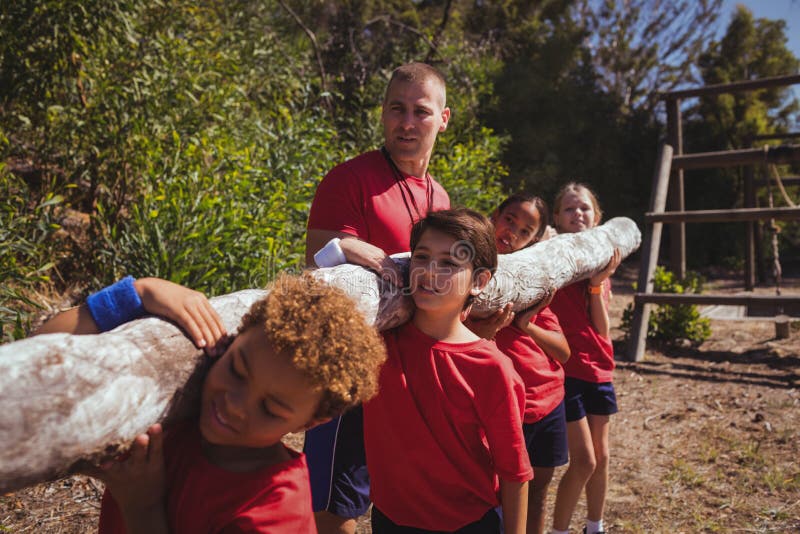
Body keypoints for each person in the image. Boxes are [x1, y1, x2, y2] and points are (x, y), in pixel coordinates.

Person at [35, 273, 387, 534]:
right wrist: (137, 293)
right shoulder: (179, 412)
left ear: (309, 423)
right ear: (231, 342)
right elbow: (39, 350)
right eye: (236, 369)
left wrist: (141, 507)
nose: (236, 404)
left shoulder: (276, 511)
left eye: (270, 408)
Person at [303, 62, 452, 534]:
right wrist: (347, 248)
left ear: (443, 120)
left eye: (420, 112)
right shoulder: (349, 180)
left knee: (396, 503)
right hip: (348, 378)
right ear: (383, 114)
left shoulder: (441, 198)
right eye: (396, 109)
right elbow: (317, 268)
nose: (406, 123)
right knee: (335, 508)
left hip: (410, 381)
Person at [363, 208, 533, 534]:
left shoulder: (492, 368)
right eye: (422, 257)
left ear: (479, 282)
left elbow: (514, 471)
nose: (429, 272)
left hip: (467, 525)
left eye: (449, 264)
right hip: (389, 520)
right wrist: (344, 246)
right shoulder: (378, 342)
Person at [468, 193, 571, 534]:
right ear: (494, 215)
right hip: (505, 406)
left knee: (538, 491)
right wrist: (485, 333)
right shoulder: (465, 272)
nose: (512, 231)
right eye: (510, 219)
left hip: (548, 400)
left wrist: (526, 324)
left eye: (526, 230)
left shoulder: (531, 280)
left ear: (534, 240)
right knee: (498, 498)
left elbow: (564, 353)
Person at [547, 183, 621, 534]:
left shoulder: (601, 263)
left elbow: (602, 329)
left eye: (585, 209)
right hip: (566, 370)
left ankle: (595, 526)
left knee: (602, 458)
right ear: (557, 219)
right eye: (570, 209)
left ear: (597, 217)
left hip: (599, 367)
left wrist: (596, 284)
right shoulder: (550, 256)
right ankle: (560, 530)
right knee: (583, 461)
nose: (578, 214)